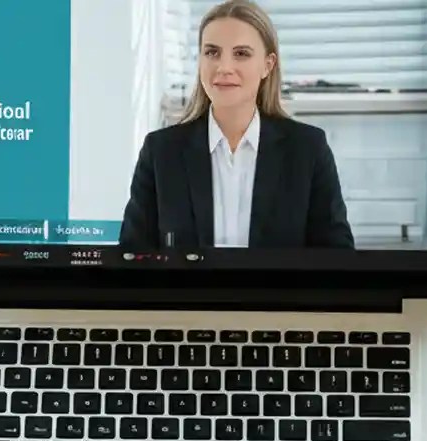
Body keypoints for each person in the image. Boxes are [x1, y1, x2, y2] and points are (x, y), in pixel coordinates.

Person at [118, 0, 355, 253]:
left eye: (241, 53)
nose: (224, 67)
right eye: (212, 52)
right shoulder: (161, 151)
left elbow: (337, 259)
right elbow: (132, 258)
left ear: (268, 65)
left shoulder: (307, 149)